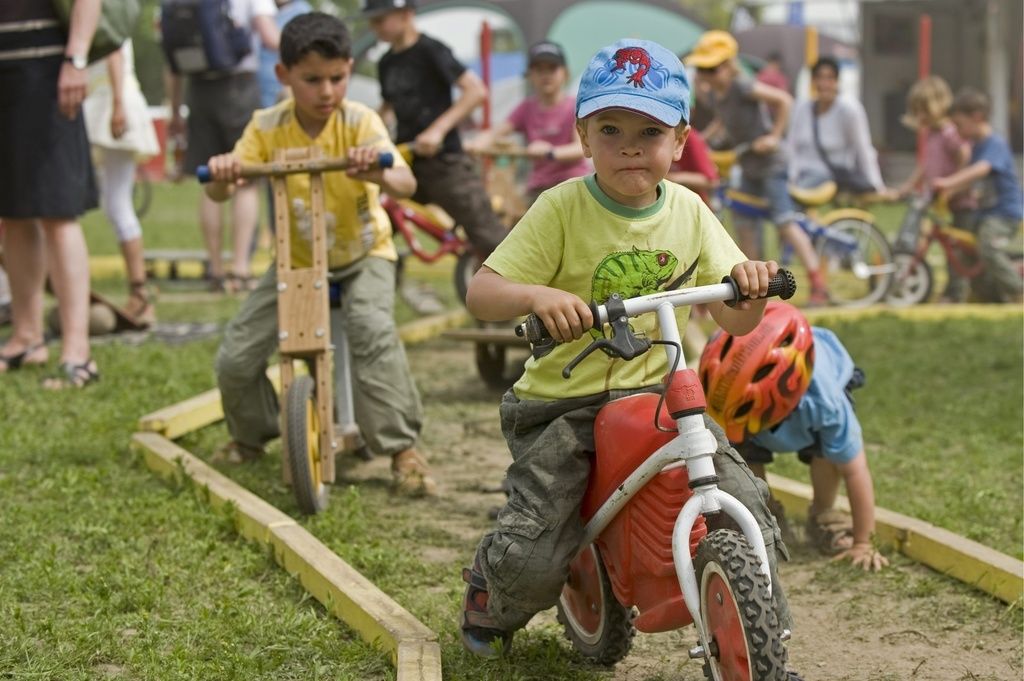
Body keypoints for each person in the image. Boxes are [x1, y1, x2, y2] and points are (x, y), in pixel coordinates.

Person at [458, 40, 798, 676]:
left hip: (659, 393)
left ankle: (762, 630)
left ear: (680, 139)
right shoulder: (561, 207)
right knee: (538, 550)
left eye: (650, 130)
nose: (630, 146)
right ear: (584, 135)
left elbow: (732, 313)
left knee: (743, 498)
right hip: (564, 401)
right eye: (610, 129)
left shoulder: (691, 211)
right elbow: (482, 291)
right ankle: (490, 595)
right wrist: (537, 293)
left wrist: (748, 285)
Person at [204, 12, 437, 496]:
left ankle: (402, 450)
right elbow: (224, 191)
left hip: (364, 254)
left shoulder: (359, 122)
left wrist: (377, 169)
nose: (326, 91)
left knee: (372, 330)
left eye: (337, 78)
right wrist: (225, 173)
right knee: (237, 356)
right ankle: (252, 437)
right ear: (283, 75)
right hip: (296, 259)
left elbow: (406, 182)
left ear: (349, 70)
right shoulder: (266, 126)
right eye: (311, 80)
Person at [699, 301, 888, 572]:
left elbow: (855, 470)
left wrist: (863, 543)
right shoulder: (723, 388)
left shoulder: (827, 405)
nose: (742, 428)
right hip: (746, 397)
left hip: (812, 401)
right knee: (741, 454)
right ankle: (767, 514)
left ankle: (823, 513)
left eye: (748, 418)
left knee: (826, 455)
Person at [685, 30, 829, 306]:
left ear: (728, 66)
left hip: (771, 163)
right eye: (702, 69)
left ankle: (817, 282)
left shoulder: (742, 85)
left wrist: (773, 136)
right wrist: (704, 141)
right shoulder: (717, 94)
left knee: (784, 222)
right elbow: (724, 120)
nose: (706, 75)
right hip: (748, 164)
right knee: (743, 220)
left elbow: (784, 101)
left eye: (711, 69)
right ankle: (755, 285)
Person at [0, 0, 101, 387]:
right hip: (6, 66)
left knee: (58, 211)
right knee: (13, 210)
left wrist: (76, 59)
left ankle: (78, 350)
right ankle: (26, 337)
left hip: (47, 65)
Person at [365, 0, 508, 268]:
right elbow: (386, 109)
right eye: (372, 21)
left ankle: (522, 295)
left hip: (444, 162)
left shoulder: (431, 50)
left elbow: (475, 91)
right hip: (404, 163)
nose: (375, 27)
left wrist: (438, 131)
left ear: (406, 14)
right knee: (374, 227)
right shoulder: (386, 63)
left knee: (489, 235)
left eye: (381, 19)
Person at [167, 0, 280, 293]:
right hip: (239, 87)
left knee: (210, 176)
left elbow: (172, 60)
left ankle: (215, 268)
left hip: (198, 90)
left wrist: (175, 110)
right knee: (247, 182)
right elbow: (269, 38)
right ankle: (240, 268)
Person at [83, 40, 160, 326]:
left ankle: (140, 292)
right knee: (114, 204)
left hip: (112, 99)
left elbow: (113, 50)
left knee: (117, 205)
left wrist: (116, 105)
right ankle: (140, 292)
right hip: (104, 98)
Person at [466, 40, 590, 205]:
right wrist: (479, 142)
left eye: (552, 69)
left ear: (565, 73)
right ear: (530, 75)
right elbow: (497, 132)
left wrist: (550, 152)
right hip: (539, 188)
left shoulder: (574, 107)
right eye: (539, 69)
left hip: (573, 184)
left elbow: (581, 148)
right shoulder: (526, 107)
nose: (546, 75)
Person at [934, 88, 1024, 304]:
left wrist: (948, 182)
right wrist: (948, 193)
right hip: (984, 214)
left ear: (977, 117)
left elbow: (980, 170)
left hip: (1004, 214)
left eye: (959, 125)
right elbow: (970, 181)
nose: (956, 130)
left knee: (988, 246)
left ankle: (1018, 291)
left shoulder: (995, 144)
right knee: (965, 252)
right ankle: (989, 294)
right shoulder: (975, 147)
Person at [894, 76, 975, 303]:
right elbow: (925, 165)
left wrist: (954, 185)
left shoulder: (950, 132)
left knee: (958, 250)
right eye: (917, 111)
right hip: (939, 200)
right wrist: (909, 186)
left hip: (960, 201)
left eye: (924, 110)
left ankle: (956, 292)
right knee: (944, 243)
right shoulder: (931, 133)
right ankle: (951, 289)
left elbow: (964, 156)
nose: (920, 117)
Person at [787, 57, 886, 194]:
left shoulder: (849, 110)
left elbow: (863, 148)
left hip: (827, 174)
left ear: (837, 81)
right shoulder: (801, 108)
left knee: (792, 195)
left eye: (830, 78)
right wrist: (791, 176)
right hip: (798, 172)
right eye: (819, 78)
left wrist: (877, 185)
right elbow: (791, 146)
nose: (824, 84)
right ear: (813, 81)